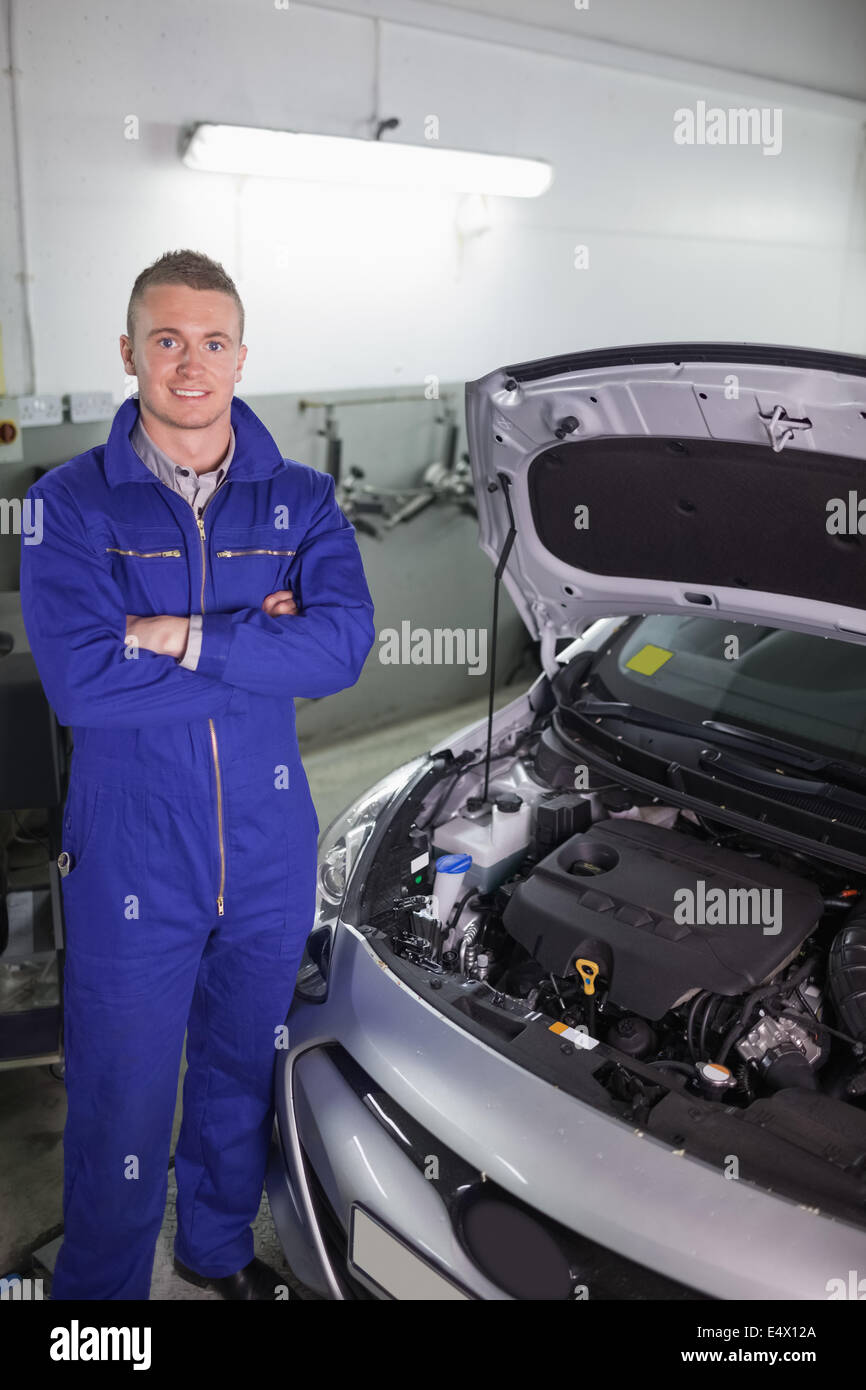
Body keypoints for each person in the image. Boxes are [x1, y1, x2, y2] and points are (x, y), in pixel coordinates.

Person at [19, 248, 376, 1300]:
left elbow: (341, 651)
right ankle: (100, 1302)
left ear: (240, 354)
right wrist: (254, 648)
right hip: (134, 852)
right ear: (127, 351)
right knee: (121, 1100)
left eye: (211, 341)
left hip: (267, 853)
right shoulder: (70, 504)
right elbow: (82, 684)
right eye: (165, 340)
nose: (189, 363)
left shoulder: (299, 498)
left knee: (238, 1076)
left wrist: (173, 634)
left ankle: (215, 1253)